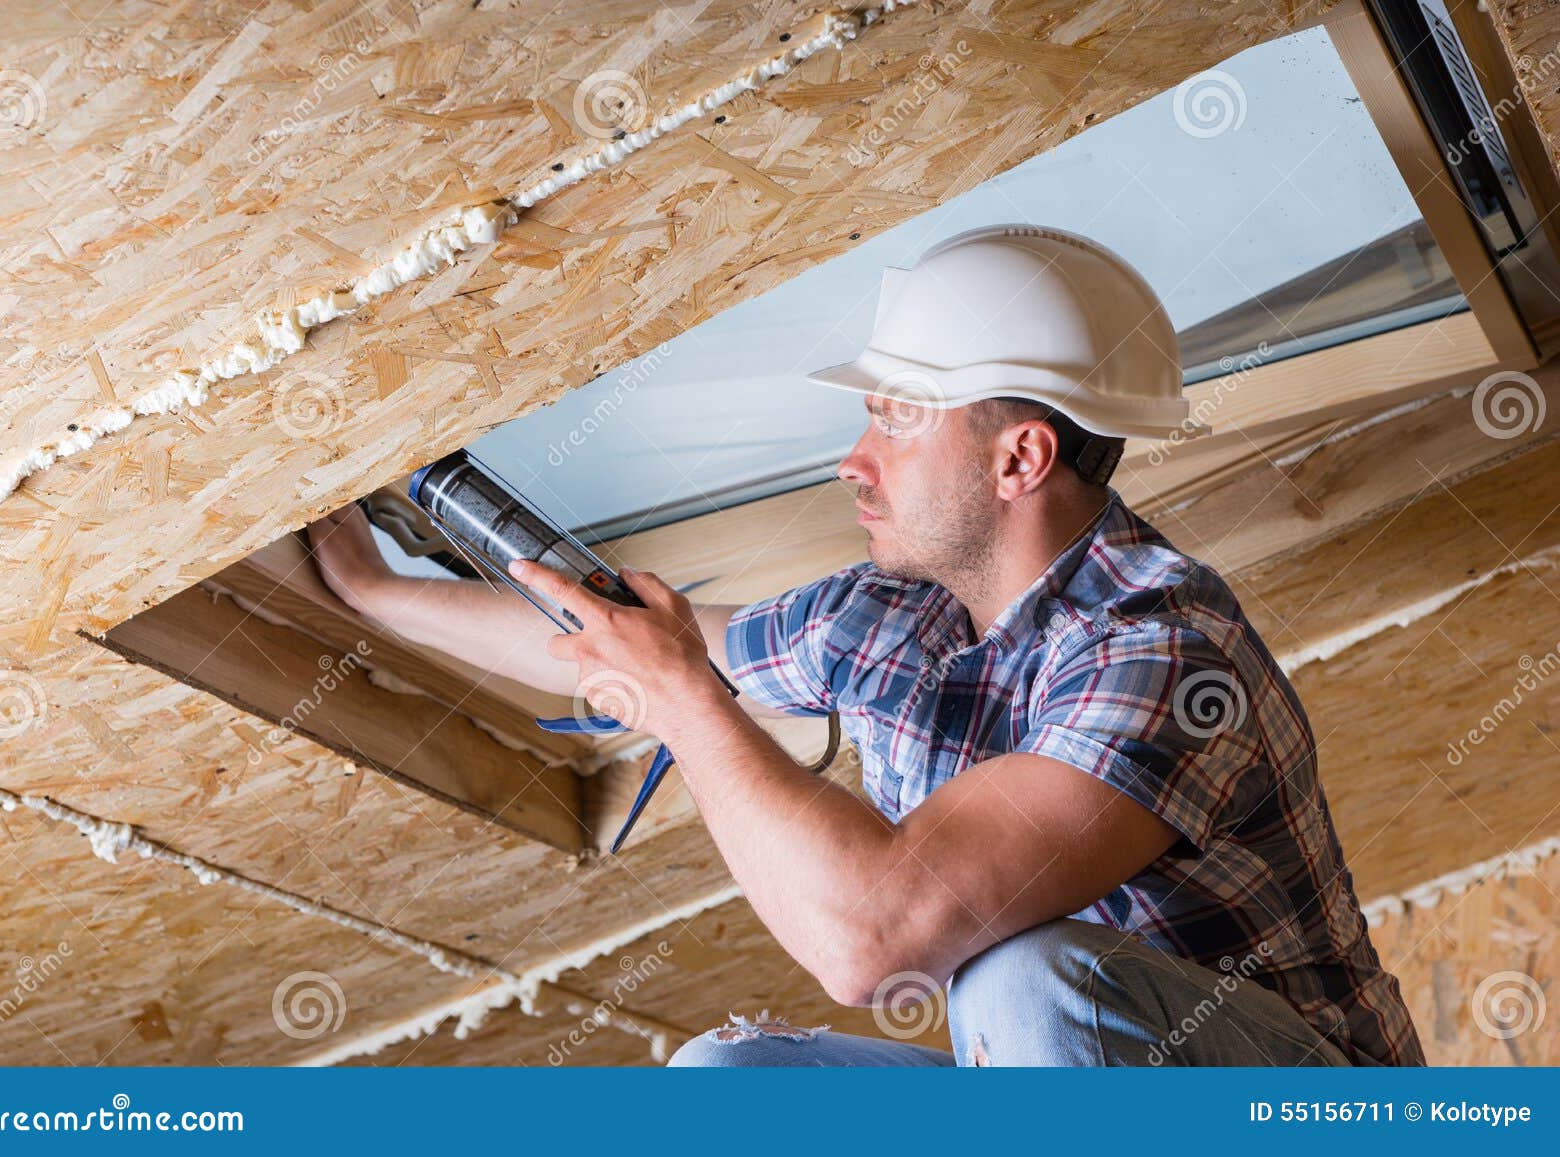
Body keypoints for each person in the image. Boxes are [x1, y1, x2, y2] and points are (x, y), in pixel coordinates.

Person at [310, 225, 1424, 1067]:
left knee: (1020, 981)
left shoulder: (1163, 652)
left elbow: (874, 941)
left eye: (894, 418)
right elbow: (633, 645)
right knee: (730, 1076)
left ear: (1019, 458)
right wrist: (372, 590)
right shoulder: (894, 611)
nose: (854, 459)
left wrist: (687, 707)